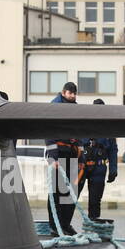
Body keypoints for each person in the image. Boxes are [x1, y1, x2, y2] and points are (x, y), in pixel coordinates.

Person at [44, 82, 81, 235]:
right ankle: (55, 226)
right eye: (70, 93)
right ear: (63, 92)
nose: (72, 96)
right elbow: (49, 133)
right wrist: (54, 158)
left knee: (69, 192)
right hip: (58, 155)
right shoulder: (54, 107)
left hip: (71, 153)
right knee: (56, 193)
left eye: (74, 93)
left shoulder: (76, 108)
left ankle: (65, 224)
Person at [74, 99, 118, 220]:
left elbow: (113, 150)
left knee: (95, 201)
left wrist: (113, 169)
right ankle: (63, 225)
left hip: (99, 168)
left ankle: (93, 227)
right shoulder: (83, 124)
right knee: (71, 197)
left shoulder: (109, 128)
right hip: (81, 167)